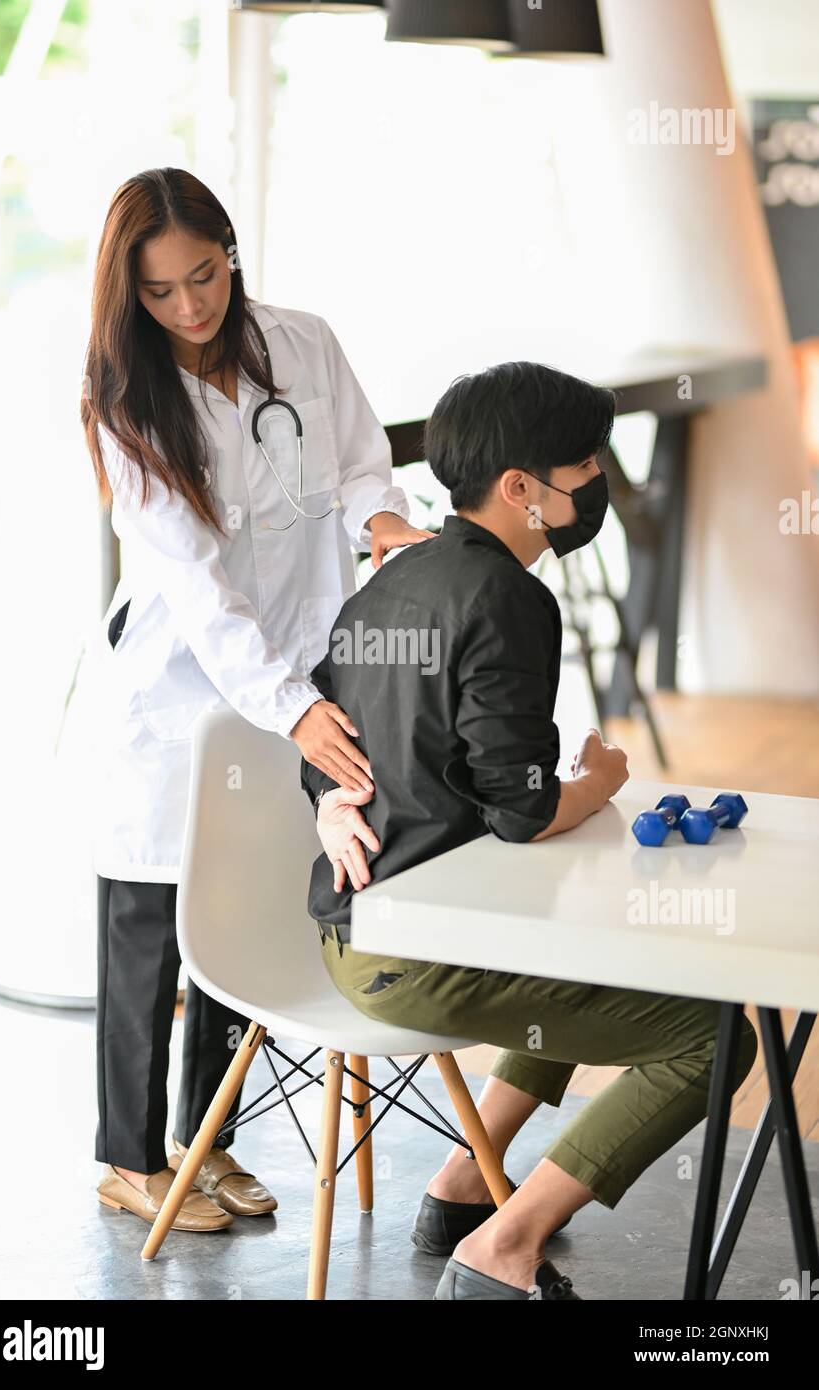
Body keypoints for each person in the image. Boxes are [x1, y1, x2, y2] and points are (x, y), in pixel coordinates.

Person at [300, 361, 758, 1299]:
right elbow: (521, 809)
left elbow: (323, 747)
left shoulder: (390, 580)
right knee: (717, 1037)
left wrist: (325, 799)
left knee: (596, 968)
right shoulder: (510, 597)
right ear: (521, 489)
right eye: (584, 462)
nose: (598, 481)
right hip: (422, 954)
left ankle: (463, 1185)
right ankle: (503, 1246)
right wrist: (597, 782)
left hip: (355, 931)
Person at [79, 166, 431, 1232]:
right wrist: (288, 704)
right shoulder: (124, 403)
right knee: (147, 919)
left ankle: (204, 1141)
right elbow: (196, 587)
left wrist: (383, 525)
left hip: (293, 672)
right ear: (126, 296)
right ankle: (127, 1159)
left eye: (203, 275)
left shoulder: (303, 344)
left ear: (230, 250)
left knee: (241, 905)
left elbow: (366, 464)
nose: (190, 307)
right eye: (158, 293)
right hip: (181, 688)